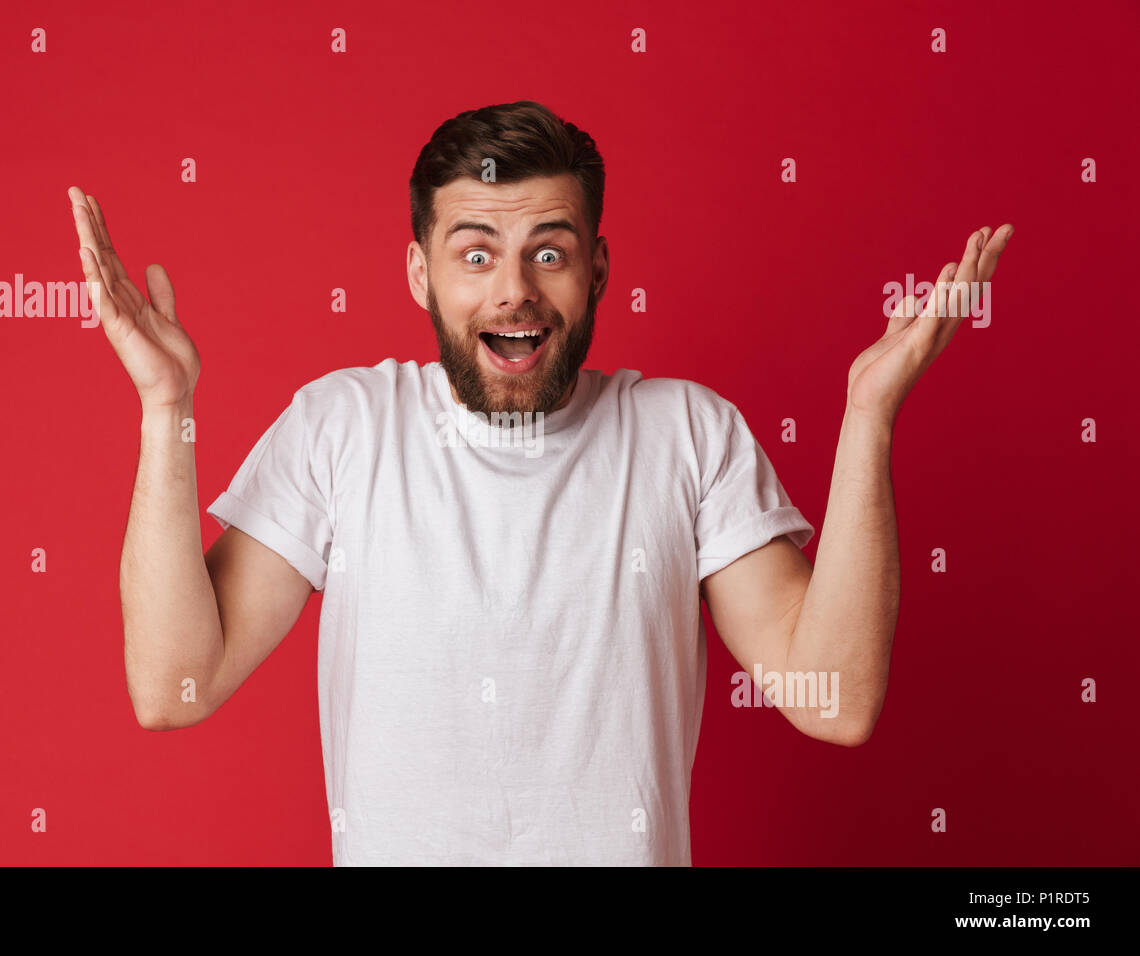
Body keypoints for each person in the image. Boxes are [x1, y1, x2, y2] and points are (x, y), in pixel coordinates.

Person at [68, 100, 1012, 865]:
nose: (513, 290)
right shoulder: (342, 428)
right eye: (474, 254)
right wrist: (165, 408)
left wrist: (868, 416)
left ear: (597, 270)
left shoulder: (685, 433)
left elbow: (834, 700)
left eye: (548, 253)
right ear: (419, 275)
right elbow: (173, 686)